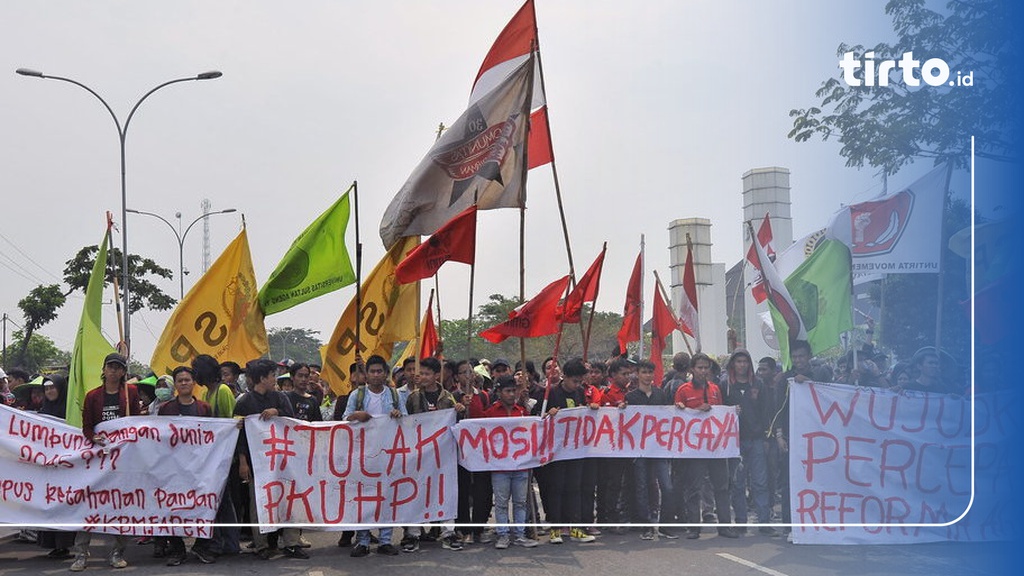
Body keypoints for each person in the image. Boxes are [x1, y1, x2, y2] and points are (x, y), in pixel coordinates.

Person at [71, 353, 143, 572]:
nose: (113, 371)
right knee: (89, 505)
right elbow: (86, 427)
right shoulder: (92, 396)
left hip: (123, 460)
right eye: (110, 367)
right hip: (98, 459)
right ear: (103, 370)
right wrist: (94, 437)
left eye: (117, 367)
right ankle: (81, 553)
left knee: (120, 506)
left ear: (123, 372)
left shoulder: (130, 393)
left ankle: (117, 552)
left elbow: (137, 422)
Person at [234, 358, 309, 561]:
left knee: (288, 500)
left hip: (283, 460)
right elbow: (239, 435)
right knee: (259, 503)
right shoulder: (244, 403)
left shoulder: (280, 398)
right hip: (257, 463)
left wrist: (277, 412)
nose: (275, 379)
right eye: (272, 375)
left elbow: (292, 421)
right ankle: (262, 545)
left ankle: (291, 543)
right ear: (262, 378)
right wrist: (243, 462)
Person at [341, 354, 406, 557]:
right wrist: (356, 416)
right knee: (364, 498)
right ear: (366, 374)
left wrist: (398, 415)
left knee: (387, 496)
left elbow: (407, 420)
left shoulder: (394, 395)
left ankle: (386, 540)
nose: (376, 375)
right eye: (372, 371)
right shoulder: (357, 395)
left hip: (388, 455)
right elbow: (344, 419)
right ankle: (363, 540)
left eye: (379, 371)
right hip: (363, 455)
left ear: (386, 374)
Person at [402, 357, 466, 552]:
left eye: (427, 374)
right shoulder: (413, 398)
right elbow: (406, 423)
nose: (422, 377)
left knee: (445, 491)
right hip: (419, 454)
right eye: (421, 373)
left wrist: (460, 410)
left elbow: (456, 423)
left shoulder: (448, 398)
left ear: (437, 375)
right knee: (416, 491)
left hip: (442, 455)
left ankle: (448, 533)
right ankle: (413, 534)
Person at [675, 353, 739, 539]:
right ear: (692, 369)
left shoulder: (715, 389)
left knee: (721, 487)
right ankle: (694, 528)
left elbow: (720, 415)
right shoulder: (683, 390)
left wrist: (732, 413)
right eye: (699, 368)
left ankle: (725, 526)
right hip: (694, 449)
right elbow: (678, 418)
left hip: (715, 447)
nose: (703, 371)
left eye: (706, 368)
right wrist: (695, 410)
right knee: (694, 488)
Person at [156, 366, 216, 565]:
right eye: (180, 380)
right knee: (172, 507)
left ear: (193, 383)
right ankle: (177, 549)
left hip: (199, 466)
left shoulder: (204, 408)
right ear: (175, 385)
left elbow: (214, 434)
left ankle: (201, 546)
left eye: (187, 380)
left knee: (203, 505)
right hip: (173, 467)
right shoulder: (166, 409)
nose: (184, 383)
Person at [720, 350, 778, 536]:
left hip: (756, 440)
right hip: (734, 442)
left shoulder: (758, 384)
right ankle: (740, 522)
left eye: (745, 361)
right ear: (733, 363)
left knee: (760, 483)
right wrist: (729, 411)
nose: (742, 365)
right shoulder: (725, 384)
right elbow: (718, 410)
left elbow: (766, 412)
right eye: (738, 361)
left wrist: (767, 437)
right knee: (738, 484)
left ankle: (764, 522)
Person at [539, 358, 596, 544]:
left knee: (575, 488)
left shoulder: (580, 393)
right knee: (557, 488)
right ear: (564, 376)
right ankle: (555, 529)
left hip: (576, 450)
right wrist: (548, 414)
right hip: (557, 451)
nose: (577, 385)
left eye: (580, 381)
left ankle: (576, 528)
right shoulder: (551, 393)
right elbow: (537, 419)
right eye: (574, 381)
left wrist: (590, 409)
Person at [483, 375, 539, 549]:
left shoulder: (521, 411)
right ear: (499, 392)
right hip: (500, 467)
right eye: (508, 391)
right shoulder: (491, 413)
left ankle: (520, 534)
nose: (512, 394)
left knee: (520, 502)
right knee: (501, 503)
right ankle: (503, 535)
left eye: (514, 391)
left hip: (520, 465)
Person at [624, 360, 677, 540]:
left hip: (659, 448)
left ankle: (665, 526)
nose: (647, 376)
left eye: (650, 372)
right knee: (642, 487)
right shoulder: (631, 397)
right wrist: (622, 409)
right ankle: (646, 525)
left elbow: (669, 416)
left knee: (667, 487)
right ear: (638, 374)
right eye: (644, 372)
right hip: (640, 449)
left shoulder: (661, 395)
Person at [35, 375, 76, 559]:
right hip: (47, 467)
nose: (49, 391)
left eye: (52, 387)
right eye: (46, 388)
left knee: (64, 504)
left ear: (61, 389)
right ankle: (52, 544)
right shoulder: (43, 411)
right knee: (49, 503)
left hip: (66, 466)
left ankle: (64, 545)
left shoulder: (70, 411)